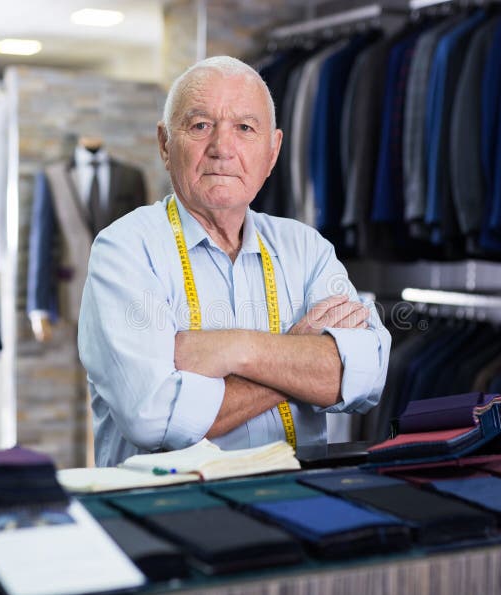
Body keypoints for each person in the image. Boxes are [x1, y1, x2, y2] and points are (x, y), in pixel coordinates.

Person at [78, 56, 391, 467]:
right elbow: (154, 416)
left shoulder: (306, 248)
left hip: (296, 505)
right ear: (164, 143)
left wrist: (237, 350)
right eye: (200, 125)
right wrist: (299, 355)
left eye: (244, 128)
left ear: (273, 150)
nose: (222, 149)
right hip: (169, 513)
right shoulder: (124, 251)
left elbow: (366, 375)